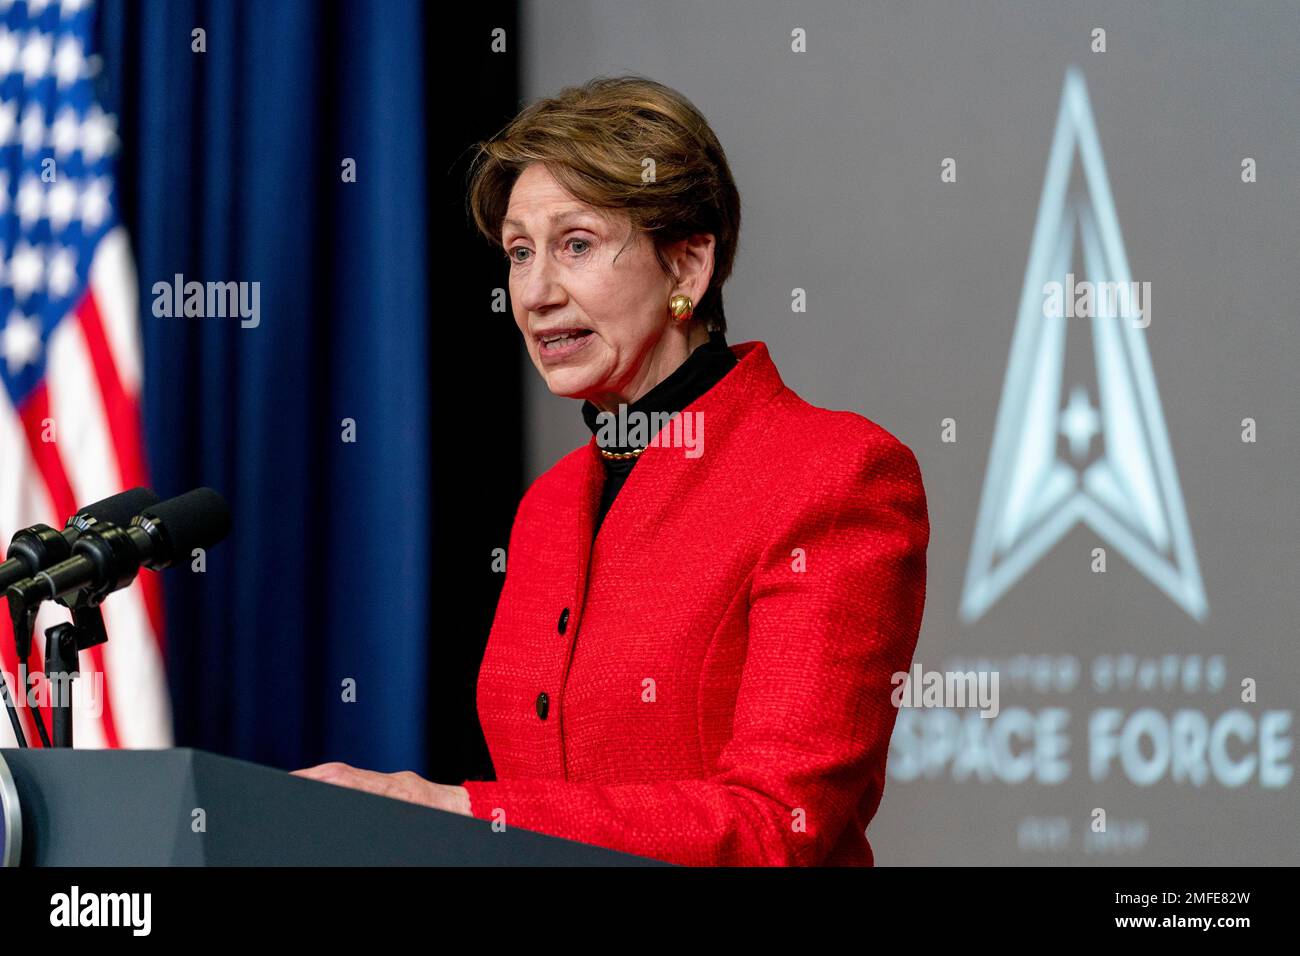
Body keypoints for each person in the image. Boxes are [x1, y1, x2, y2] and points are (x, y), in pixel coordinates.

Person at [294, 74, 930, 866]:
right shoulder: (549, 505)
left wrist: (454, 809)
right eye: (519, 253)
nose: (535, 293)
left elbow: (779, 827)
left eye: (577, 245)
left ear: (688, 267)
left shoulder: (835, 476)